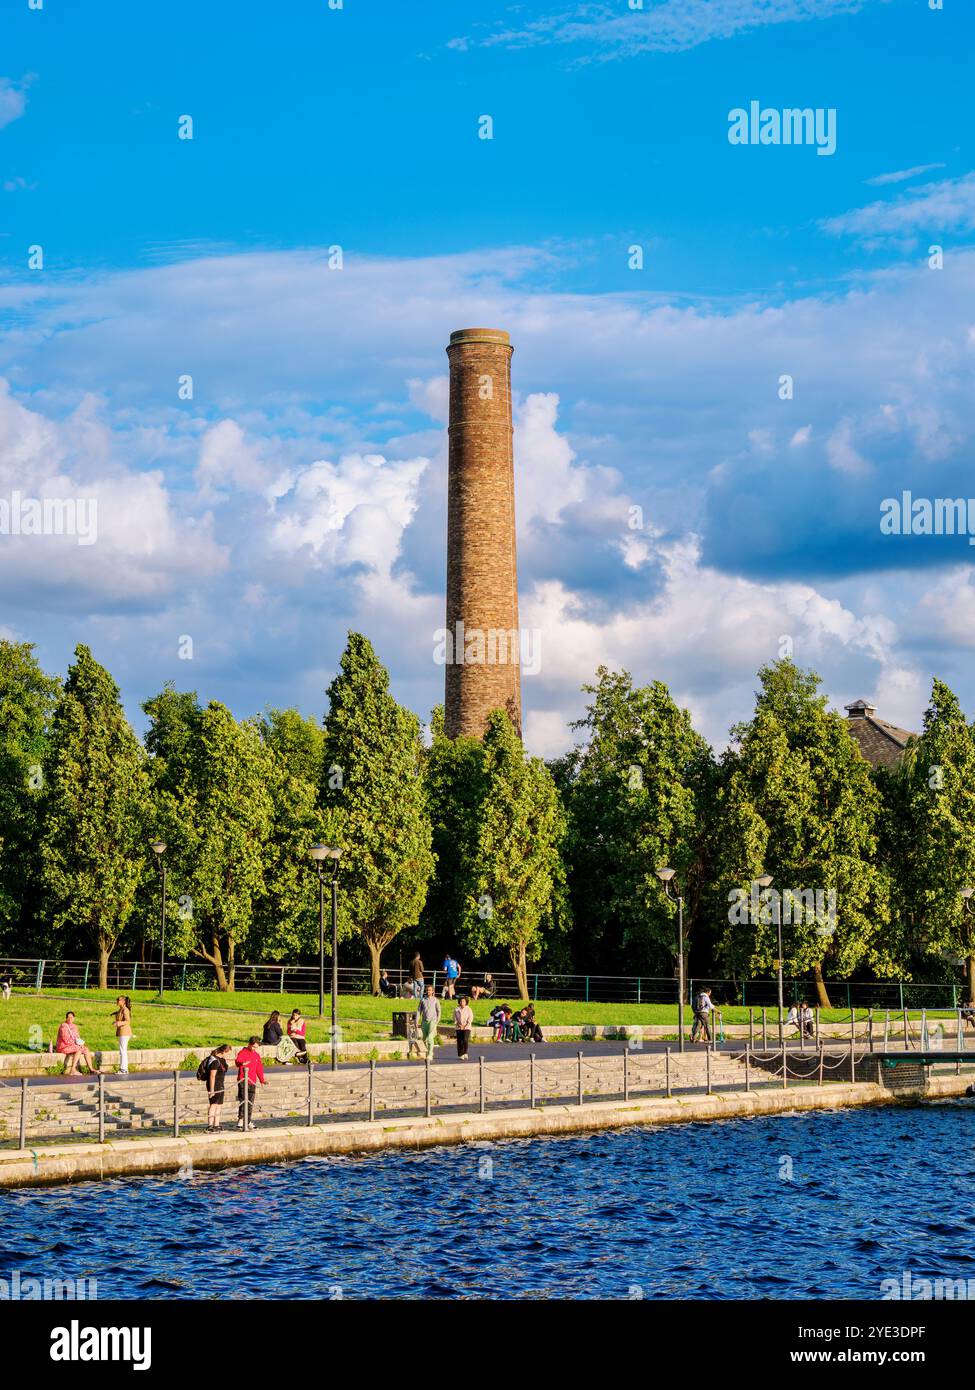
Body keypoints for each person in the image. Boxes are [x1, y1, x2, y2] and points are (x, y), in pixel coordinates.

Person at [235, 1037, 266, 1130]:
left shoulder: (256, 1055)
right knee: (243, 1100)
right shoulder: (243, 1052)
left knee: (250, 1102)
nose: (254, 1049)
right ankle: (241, 1120)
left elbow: (259, 1068)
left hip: (252, 1081)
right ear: (249, 1044)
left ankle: (248, 1120)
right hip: (243, 1080)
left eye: (256, 1047)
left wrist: (262, 1080)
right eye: (253, 1047)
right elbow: (237, 1062)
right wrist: (242, 1063)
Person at [55, 1011, 99, 1076]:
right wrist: (77, 1045)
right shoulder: (63, 1026)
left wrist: (81, 1044)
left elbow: (77, 1037)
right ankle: (72, 1070)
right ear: (66, 1018)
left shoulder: (75, 1026)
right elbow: (66, 1039)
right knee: (78, 1049)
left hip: (72, 1046)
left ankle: (91, 1069)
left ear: (74, 1018)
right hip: (63, 1046)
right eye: (68, 1017)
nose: (70, 1019)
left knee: (86, 1049)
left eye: (71, 1017)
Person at [201, 1044, 232, 1130]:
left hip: (220, 1084)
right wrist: (211, 1090)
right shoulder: (215, 1061)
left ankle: (216, 1124)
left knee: (219, 1105)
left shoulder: (222, 1060)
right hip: (214, 1085)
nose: (228, 1055)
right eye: (227, 1053)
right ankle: (210, 1125)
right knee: (213, 1104)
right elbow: (212, 1076)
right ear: (223, 1052)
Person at [416, 984, 441, 1061]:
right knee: (424, 1038)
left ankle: (430, 1054)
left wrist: (437, 1021)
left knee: (430, 1037)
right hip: (424, 1021)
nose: (428, 991)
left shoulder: (436, 1000)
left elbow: (439, 1011)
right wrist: (416, 1021)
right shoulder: (423, 1000)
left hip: (432, 1021)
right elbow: (419, 1011)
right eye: (427, 990)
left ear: (433, 991)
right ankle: (428, 1050)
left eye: (430, 990)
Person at [112, 995, 133, 1074]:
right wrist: (115, 1014)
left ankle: (123, 1069)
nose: (117, 1001)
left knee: (123, 1050)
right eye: (117, 1000)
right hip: (122, 1032)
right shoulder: (121, 1009)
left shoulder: (125, 1010)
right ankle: (124, 1068)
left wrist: (119, 1023)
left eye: (118, 1000)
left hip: (125, 1032)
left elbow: (128, 1021)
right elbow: (120, 1015)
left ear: (123, 1001)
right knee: (122, 1050)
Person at [454, 995, 473, 1060]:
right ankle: (460, 1054)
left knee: (465, 1040)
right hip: (458, 1027)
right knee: (459, 1041)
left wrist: (465, 1026)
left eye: (463, 1001)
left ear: (466, 1002)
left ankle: (465, 1052)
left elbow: (470, 1018)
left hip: (467, 1027)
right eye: (461, 1001)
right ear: (459, 1002)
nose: (462, 1002)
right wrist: (459, 1025)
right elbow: (454, 1018)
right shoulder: (456, 1009)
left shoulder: (469, 1009)